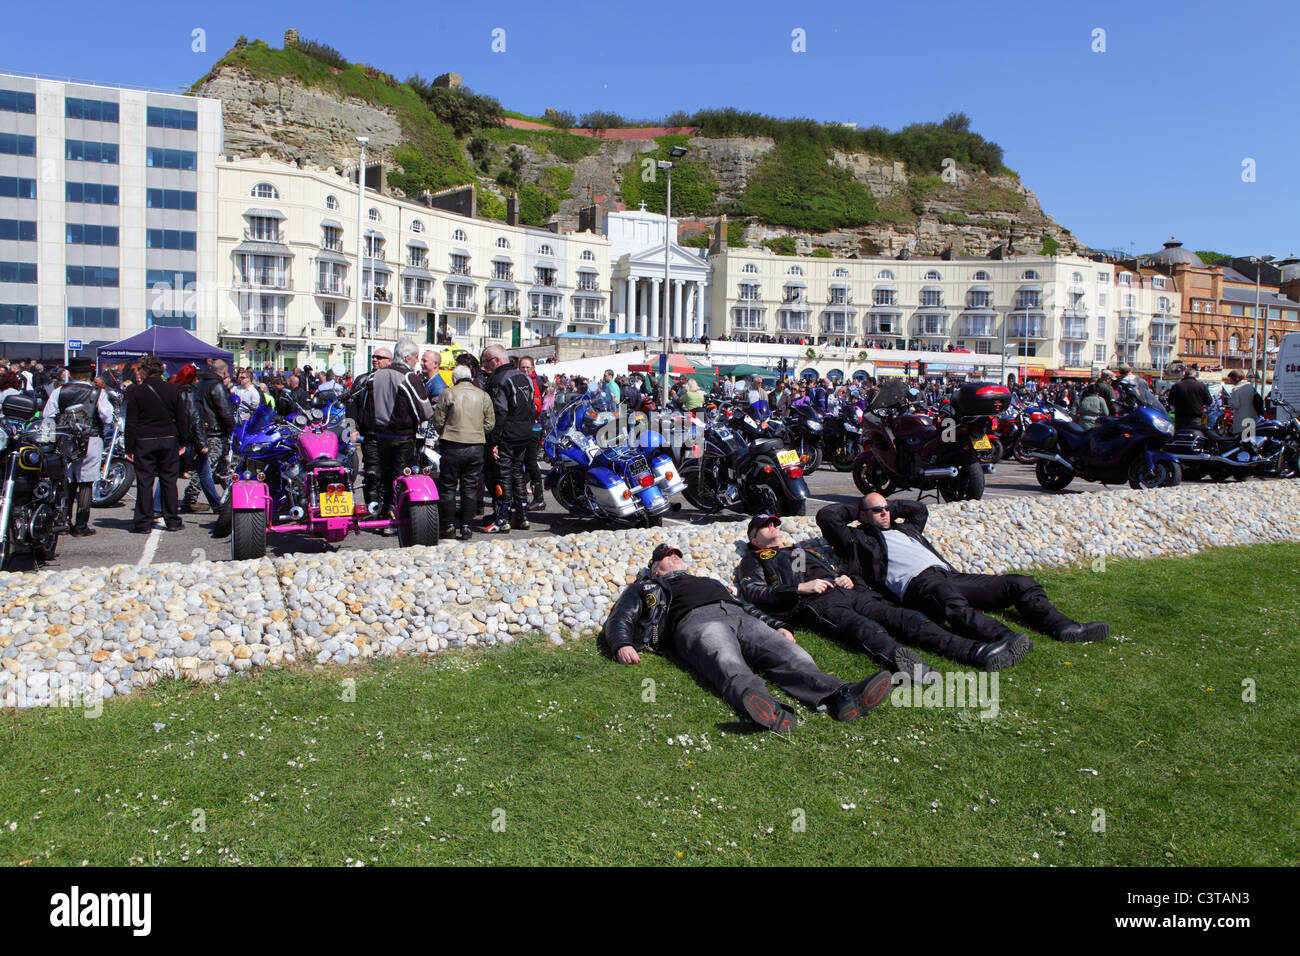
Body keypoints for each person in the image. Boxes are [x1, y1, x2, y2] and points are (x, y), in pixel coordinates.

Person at [602, 543, 893, 732]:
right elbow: (620, 617)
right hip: (695, 622)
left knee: (792, 654)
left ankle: (841, 696)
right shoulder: (646, 586)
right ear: (655, 569)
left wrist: (775, 624)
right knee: (725, 659)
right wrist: (622, 643)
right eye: (667, 557)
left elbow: (745, 605)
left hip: (739, 616)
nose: (675, 558)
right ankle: (769, 710)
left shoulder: (708, 581)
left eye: (677, 555)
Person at [738, 514, 1030, 674]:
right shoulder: (754, 560)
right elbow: (755, 592)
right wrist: (799, 589)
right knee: (863, 628)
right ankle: (906, 664)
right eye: (766, 525)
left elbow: (811, 571)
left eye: (775, 522)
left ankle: (974, 652)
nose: (774, 526)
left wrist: (845, 577)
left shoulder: (793, 551)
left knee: (906, 619)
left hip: (843, 590)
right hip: (814, 602)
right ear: (754, 538)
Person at [818, 496, 1109, 646]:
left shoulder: (906, 528)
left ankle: (1063, 626)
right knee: (949, 601)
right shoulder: (859, 539)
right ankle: (1003, 638)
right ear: (863, 515)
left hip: (950, 575)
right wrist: (860, 510)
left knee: (1019, 583)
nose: (885, 513)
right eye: (878, 510)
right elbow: (826, 515)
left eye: (887, 509)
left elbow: (919, 509)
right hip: (916, 585)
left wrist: (887, 504)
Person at [364, 338, 434, 527]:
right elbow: (426, 410)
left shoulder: (373, 377)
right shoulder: (408, 377)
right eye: (416, 357)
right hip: (403, 435)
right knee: (401, 476)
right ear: (408, 357)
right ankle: (396, 517)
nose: (417, 361)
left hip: (379, 435)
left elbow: (365, 408)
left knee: (383, 477)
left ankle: (382, 514)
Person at [43, 358, 115, 537]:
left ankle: (63, 520)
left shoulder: (59, 391)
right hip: (91, 437)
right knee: (86, 481)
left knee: (68, 479)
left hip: (66, 438)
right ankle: (81, 525)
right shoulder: (97, 393)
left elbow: (48, 415)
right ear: (88, 374)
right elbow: (107, 416)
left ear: (70, 373)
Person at [124, 354, 188, 533]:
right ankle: (172, 520)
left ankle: (143, 522)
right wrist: (183, 441)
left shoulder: (136, 391)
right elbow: (182, 418)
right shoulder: (172, 389)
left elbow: (131, 422)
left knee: (145, 482)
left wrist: (129, 446)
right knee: (169, 480)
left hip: (144, 439)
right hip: (168, 438)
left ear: (145, 371)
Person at [432, 365, 495, 541]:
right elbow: (490, 422)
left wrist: (446, 432)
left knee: (449, 486)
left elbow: (438, 419)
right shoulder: (482, 395)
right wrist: (477, 432)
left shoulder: (448, 393)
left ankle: (449, 525)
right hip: (475, 445)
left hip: (452, 444)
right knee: (470, 486)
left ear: (454, 379)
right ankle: (466, 526)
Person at [480, 345, 537, 533]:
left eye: (486, 362)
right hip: (525, 432)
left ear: (497, 360)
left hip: (508, 434)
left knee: (503, 475)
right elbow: (532, 405)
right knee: (518, 473)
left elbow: (500, 412)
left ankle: (502, 517)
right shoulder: (524, 377)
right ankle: (521, 516)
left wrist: (494, 441)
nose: (484, 366)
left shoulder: (498, 379)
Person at [353, 347, 393, 513]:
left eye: (379, 357)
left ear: (389, 361)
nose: (375, 359)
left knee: (389, 475)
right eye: (373, 357)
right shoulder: (362, 380)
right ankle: (372, 510)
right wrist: (351, 428)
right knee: (372, 473)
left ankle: (388, 511)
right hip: (370, 435)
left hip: (391, 435)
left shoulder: (395, 378)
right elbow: (351, 404)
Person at [194, 358, 235, 487]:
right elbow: (224, 411)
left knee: (224, 467)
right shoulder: (217, 386)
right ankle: (190, 497)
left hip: (204, 428)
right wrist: (232, 429)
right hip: (215, 431)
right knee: (206, 468)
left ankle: (231, 495)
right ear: (224, 371)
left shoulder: (201, 384)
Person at [516, 355, 546, 510]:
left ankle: (538, 498)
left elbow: (536, 406)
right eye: (523, 367)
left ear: (533, 368)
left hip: (533, 428)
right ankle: (524, 496)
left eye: (528, 367)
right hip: (529, 426)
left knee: (530, 462)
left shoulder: (534, 381)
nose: (526, 370)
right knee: (526, 462)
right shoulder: (526, 380)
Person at [1223, 370, 1261, 437]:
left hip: (1241, 420)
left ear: (1235, 378)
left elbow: (1236, 405)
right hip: (1253, 418)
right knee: (1251, 438)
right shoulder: (1251, 387)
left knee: (1240, 439)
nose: (1230, 381)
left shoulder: (1236, 389)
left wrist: (1229, 401)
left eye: (1230, 379)